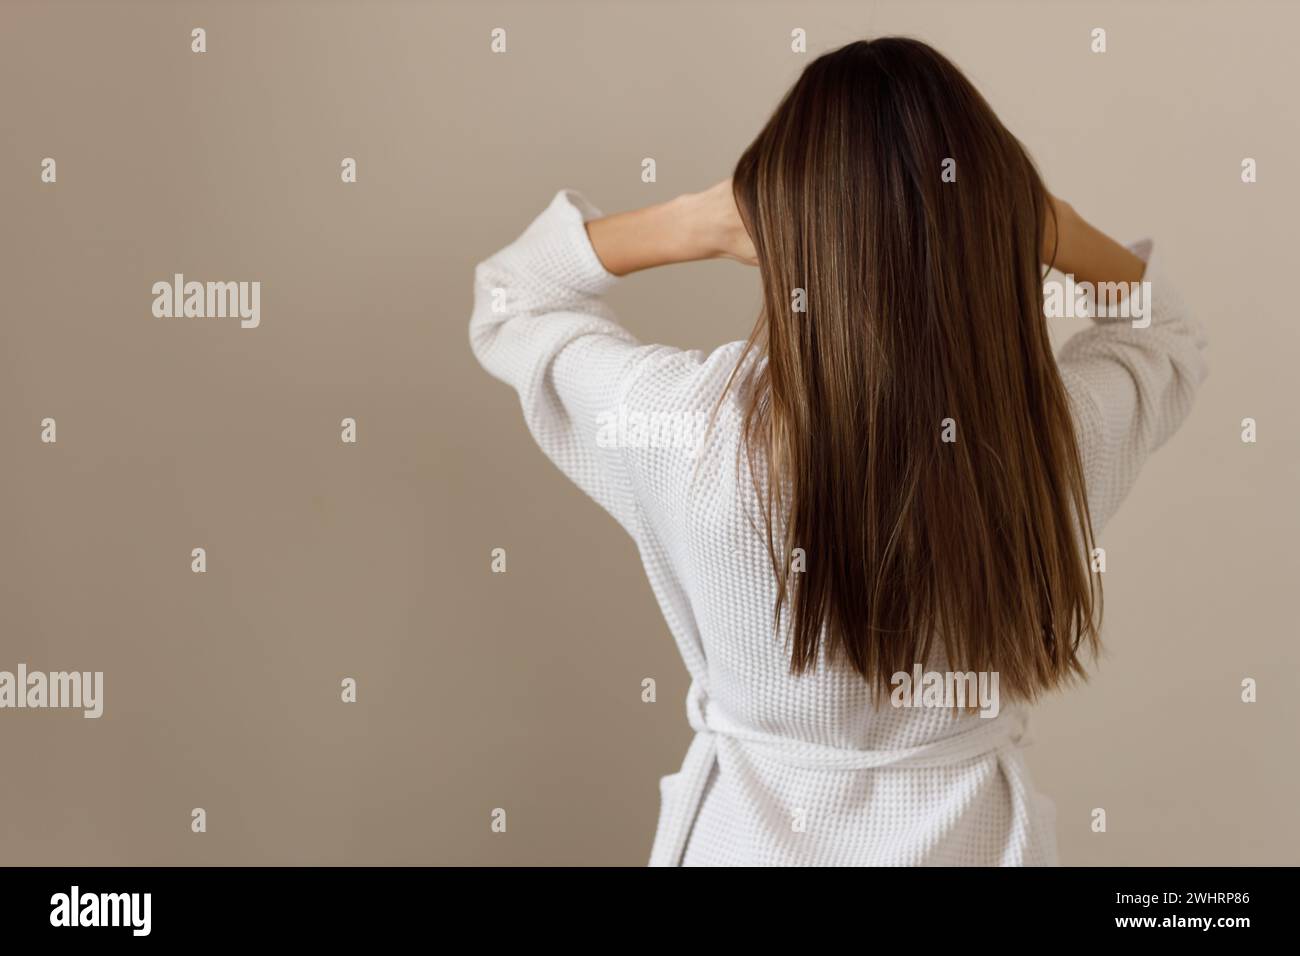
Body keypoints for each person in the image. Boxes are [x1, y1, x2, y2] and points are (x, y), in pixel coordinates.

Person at [469, 37, 1208, 866]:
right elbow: (1167, 331)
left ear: (774, 218)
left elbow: (512, 301)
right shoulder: (1053, 436)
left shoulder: (691, 429)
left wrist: (698, 221)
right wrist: (1042, 224)